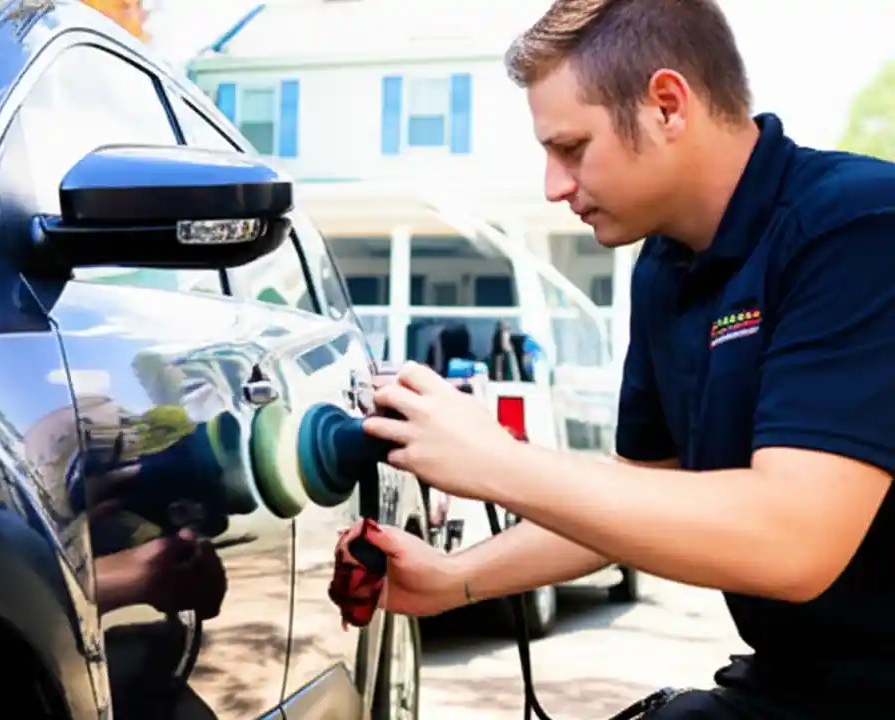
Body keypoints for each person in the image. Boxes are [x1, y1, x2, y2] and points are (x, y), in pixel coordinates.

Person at [359, 0, 895, 717]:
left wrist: (496, 462)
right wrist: (453, 579)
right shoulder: (664, 268)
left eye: (572, 148)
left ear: (667, 106)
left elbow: (794, 540)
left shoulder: (857, 227)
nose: (553, 185)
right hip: (797, 684)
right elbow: (640, 490)